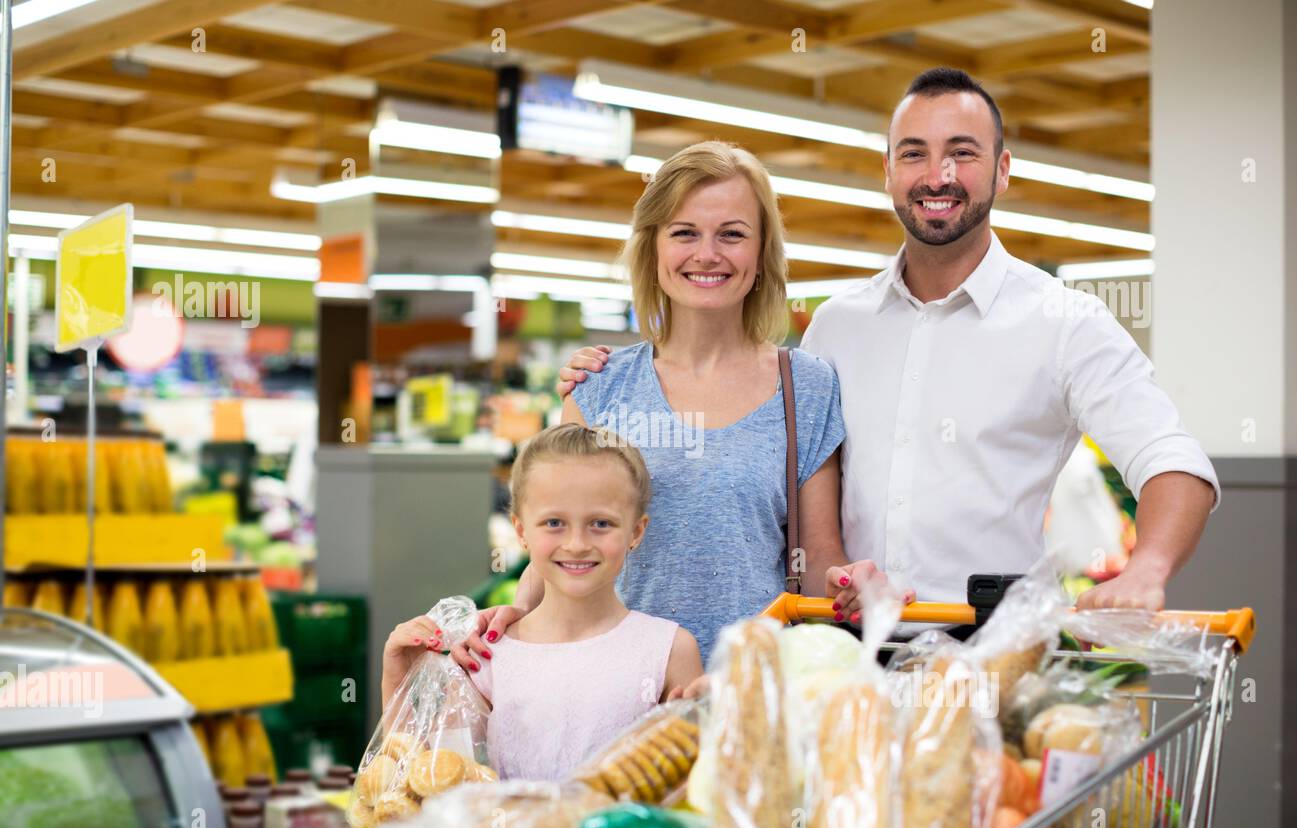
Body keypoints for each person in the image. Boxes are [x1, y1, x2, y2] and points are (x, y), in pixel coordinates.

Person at [559, 68, 1218, 614]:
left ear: (1003, 168)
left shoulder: (1065, 323)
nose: (939, 175)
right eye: (915, 154)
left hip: (991, 648)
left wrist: (1146, 569)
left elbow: (1170, 458)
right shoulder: (838, 326)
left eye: (963, 152)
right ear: (888, 172)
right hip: (848, 651)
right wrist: (610, 379)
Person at [456, 140, 903, 673]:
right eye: (684, 232)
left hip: (746, 698)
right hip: (608, 690)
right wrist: (514, 611)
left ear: (761, 255)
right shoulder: (599, 387)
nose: (707, 254)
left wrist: (851, 590)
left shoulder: (804, 387)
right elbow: (560, 546)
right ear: (654, 249)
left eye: (732, 234)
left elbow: (815, 565)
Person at [381, 424, 702, 781]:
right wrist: (397, 678)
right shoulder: (489, 654)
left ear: (636, 532)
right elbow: (437, 783)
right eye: (554, 523)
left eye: (600, 523)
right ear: (521, 531)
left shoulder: (670, 650)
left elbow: (697, 789)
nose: (577, 543)